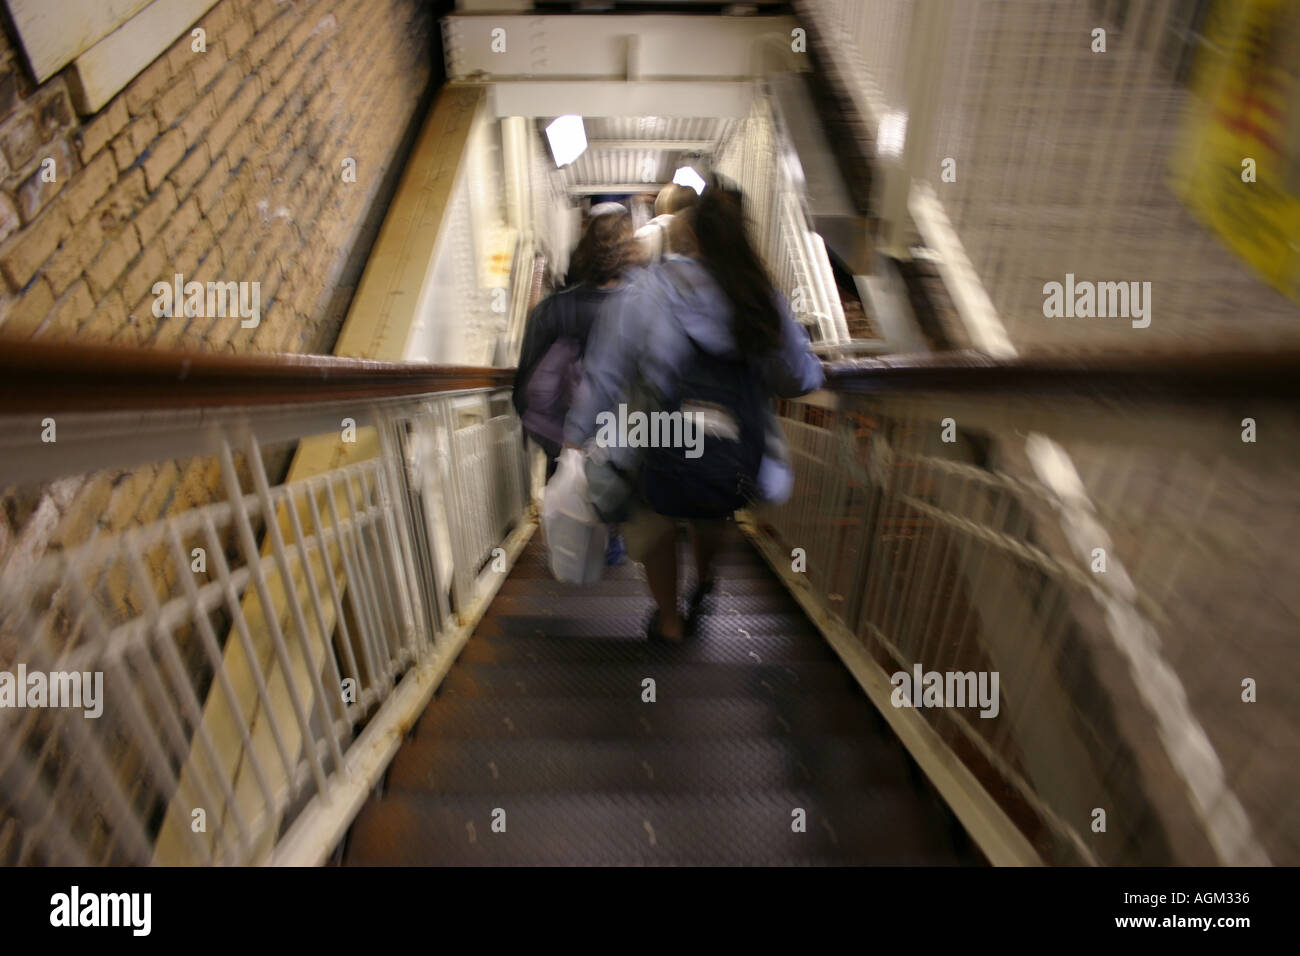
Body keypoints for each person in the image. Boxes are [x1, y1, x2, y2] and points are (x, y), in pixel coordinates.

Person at [564, 175, 824, 642]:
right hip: (730, 446)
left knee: (653, 523)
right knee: (711, 506)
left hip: (653, 443)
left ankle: (668, 623)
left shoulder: (645, 292)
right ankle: (704, 584)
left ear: (685, 240)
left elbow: (605, 373)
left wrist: (576, 436)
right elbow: (800, 377)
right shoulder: (758, 299)